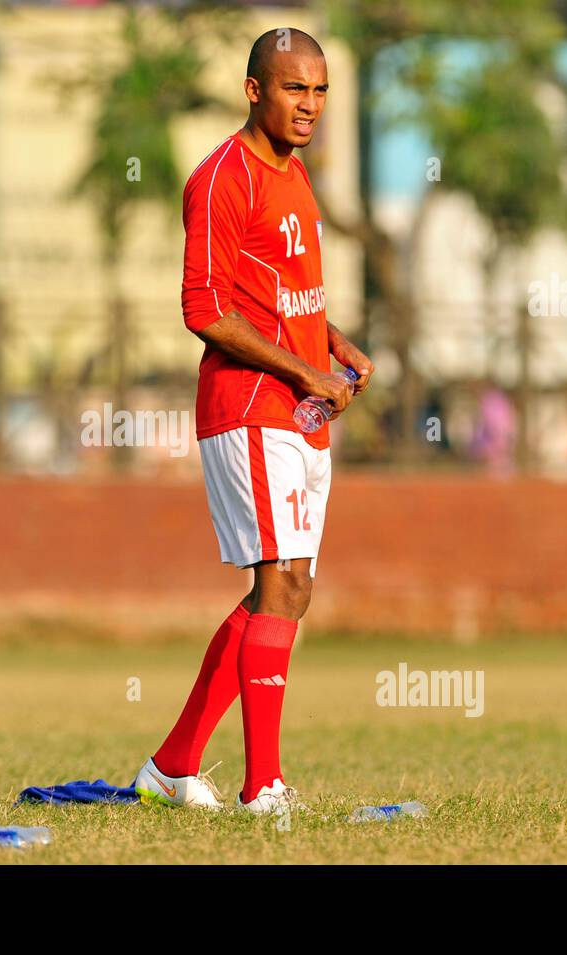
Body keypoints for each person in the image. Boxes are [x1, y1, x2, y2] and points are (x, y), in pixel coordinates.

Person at [133, 29, 374, 813]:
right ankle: (263, 784)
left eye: (320, 91)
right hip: (248, 406)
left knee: (287, 592)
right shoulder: (220, 179)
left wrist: (334, 343)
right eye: (294, 89)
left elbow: (285, 293)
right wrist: (306, 369)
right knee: (283, 582)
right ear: (253, 91)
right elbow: (204, 308)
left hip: (302, 406)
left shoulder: (297, 174)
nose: (310, 105)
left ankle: (173, 764)